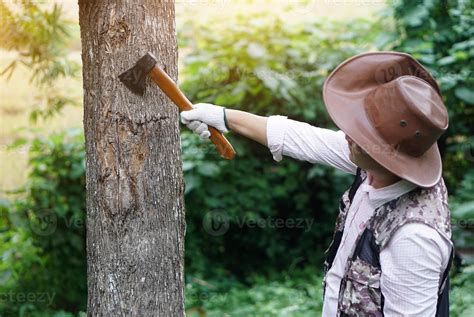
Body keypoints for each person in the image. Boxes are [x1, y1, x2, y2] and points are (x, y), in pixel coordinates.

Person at [181, 51, 454, 316]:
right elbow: (300, 138)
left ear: (385, 153)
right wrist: (223, 117)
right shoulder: (375, 164)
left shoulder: (413, 239)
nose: (347, 132)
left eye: (361, 131)